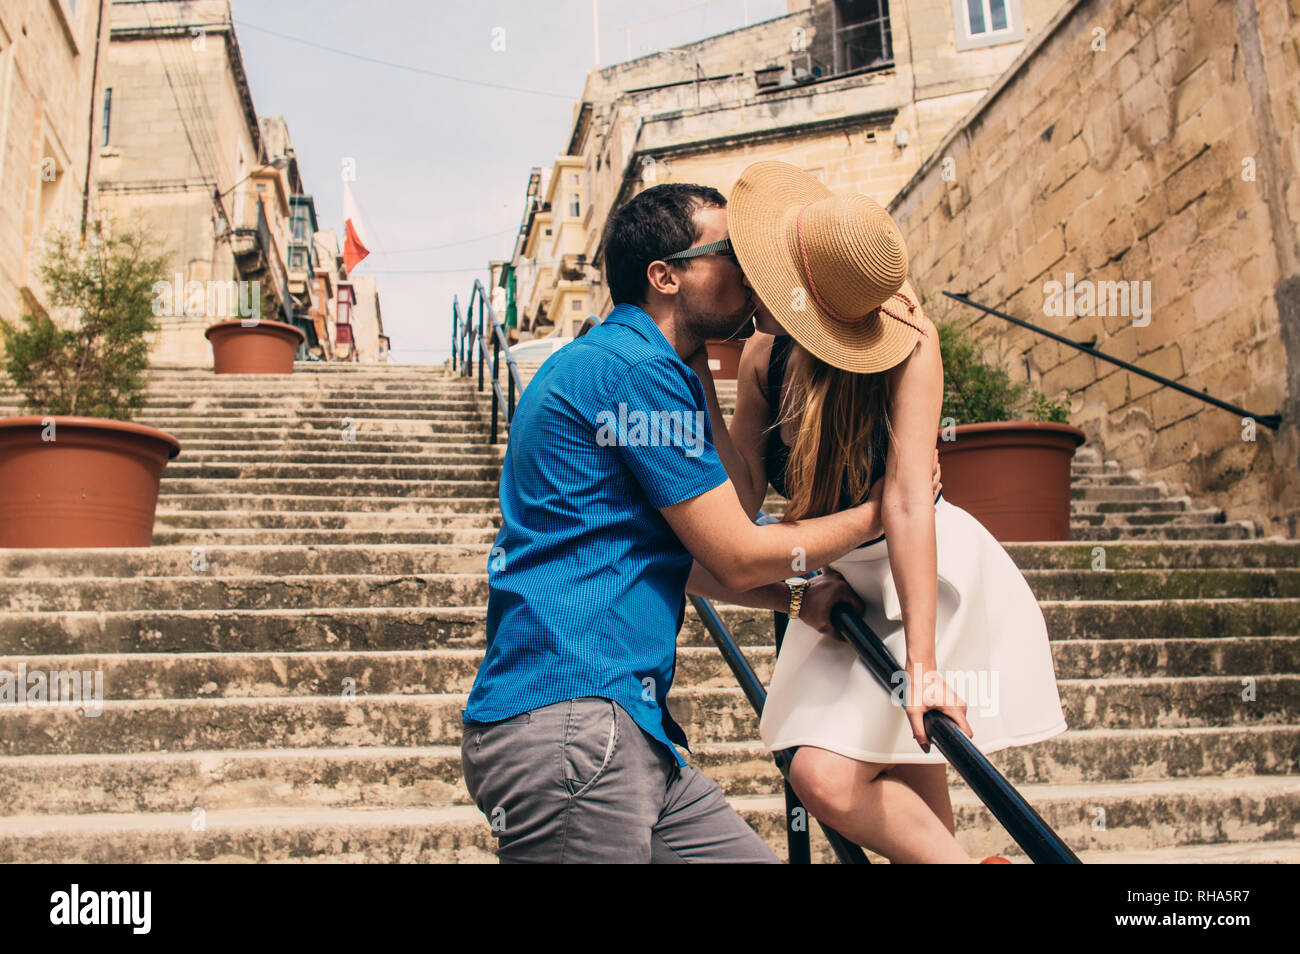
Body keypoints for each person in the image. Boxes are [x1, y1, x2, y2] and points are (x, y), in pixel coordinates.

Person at [460, 182, 907, 863]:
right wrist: (882, 508)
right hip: (577, 723)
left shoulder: (624, 364)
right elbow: (738, 551)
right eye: (730, 251)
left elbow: (696, 546)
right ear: (665, 277)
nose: (752, 265)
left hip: (623, 732)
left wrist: (795, 596)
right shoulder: (633, 371)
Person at [693, 160, 1068, 864]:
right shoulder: (762, 356)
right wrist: (697, 383)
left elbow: (905, 501)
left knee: (823, 776)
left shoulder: (907, 344)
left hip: (918, 573)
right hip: (839, 577)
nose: (753, 285)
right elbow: (741, 497)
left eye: (772, 275)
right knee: (904, 782)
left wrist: (922, 664)